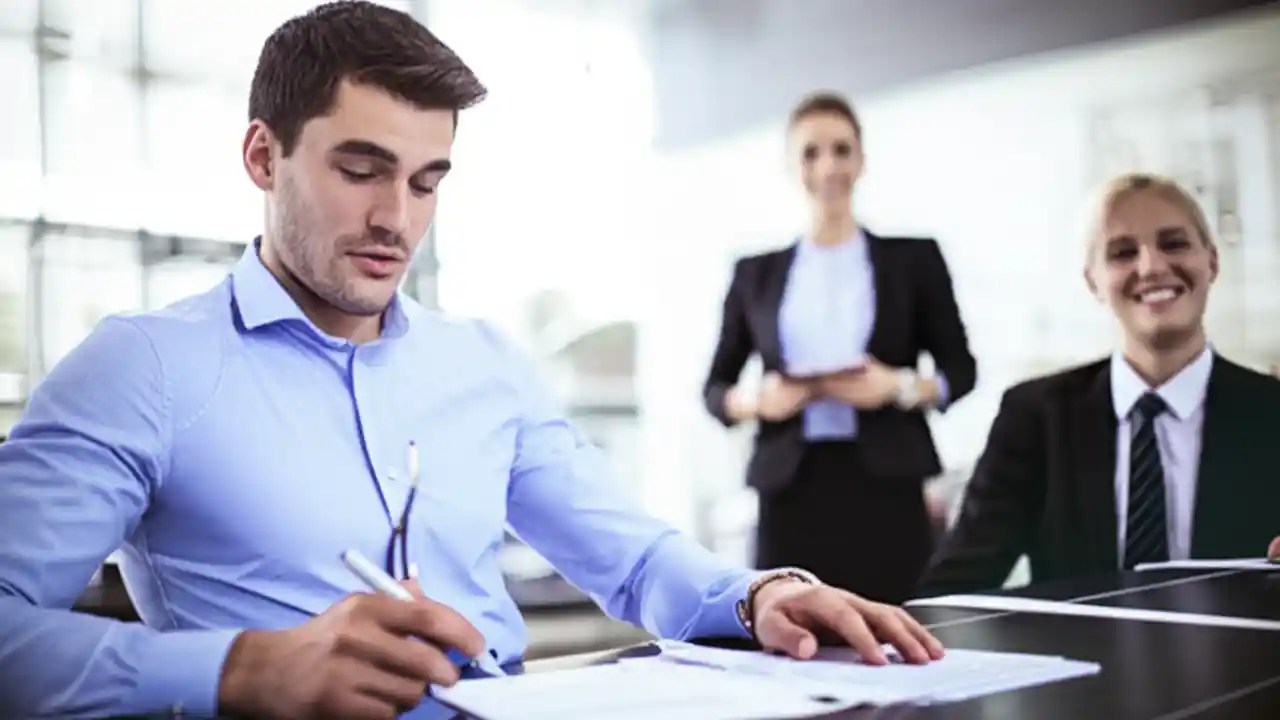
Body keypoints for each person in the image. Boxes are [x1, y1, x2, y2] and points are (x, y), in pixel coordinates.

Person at [0, 4, 945, 719]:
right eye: (360, 170)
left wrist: (758, 595)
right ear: (263, 155)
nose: (397, 220)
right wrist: (243, 667)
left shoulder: (480, 363)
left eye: (425, 181)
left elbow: (635, 559)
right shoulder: (143, 368)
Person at [919, 173, 1280, 597]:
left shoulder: (1271, 412)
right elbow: (953, 592)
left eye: (1174, 243)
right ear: (1093, 281)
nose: (1151, 267)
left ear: (1212, 262)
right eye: (1123, 253)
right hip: (1085, 660)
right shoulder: (1036, 416)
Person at [702, 92, 977, 605]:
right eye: (810, 153)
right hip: (790, 491)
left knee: (899, 635)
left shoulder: (913, 261)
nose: (828, 165)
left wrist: (895, 387)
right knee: (792, 640)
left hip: (888, 485)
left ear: (861, 159)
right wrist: (759, 401)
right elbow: (715, 389)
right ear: (791, 166)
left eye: (841, 150)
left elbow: (960, 371)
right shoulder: (754, 274)